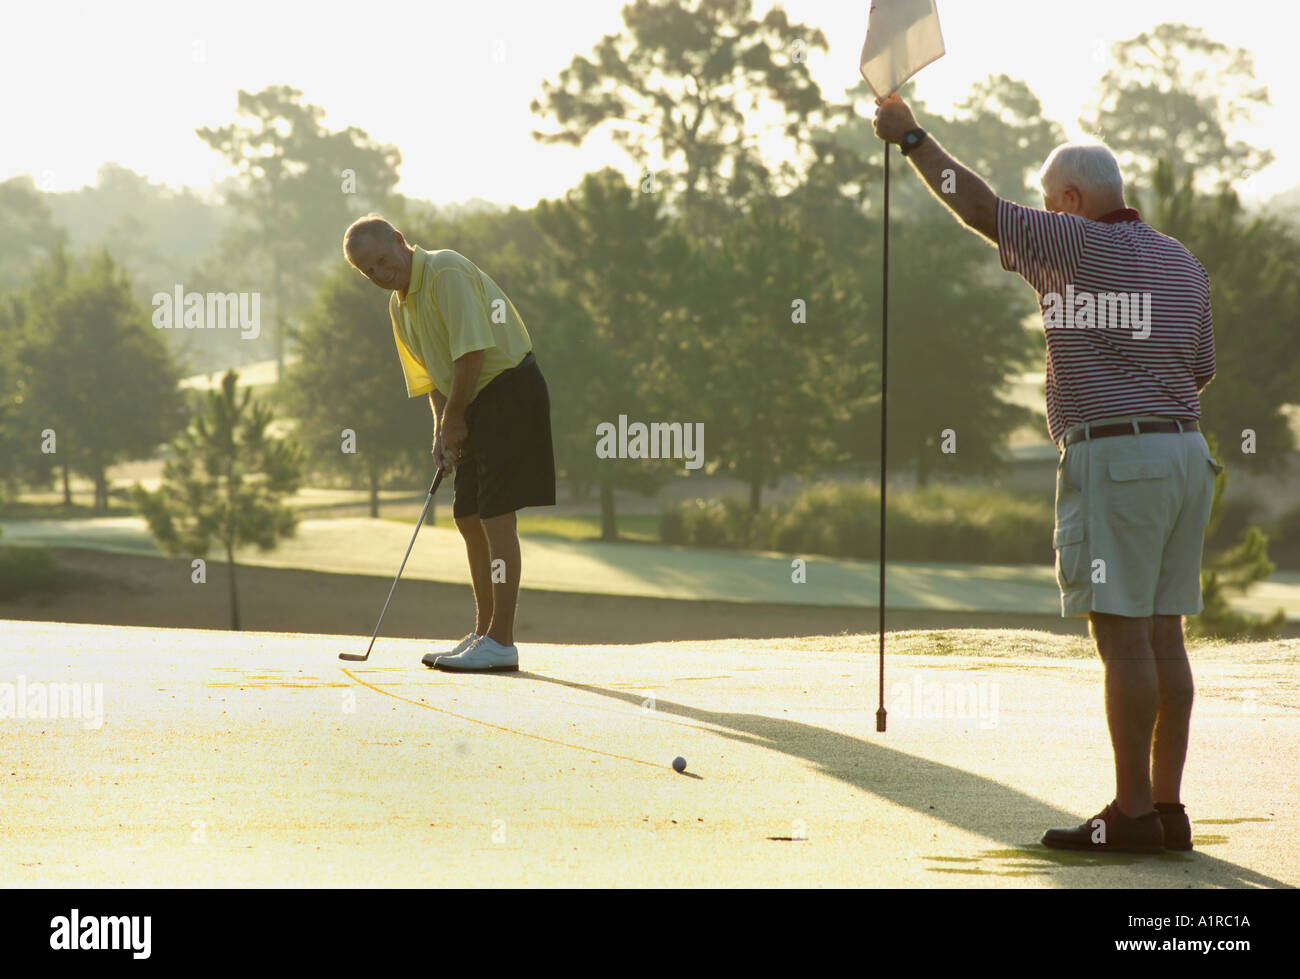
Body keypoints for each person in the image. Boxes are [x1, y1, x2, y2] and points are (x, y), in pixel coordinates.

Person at [873, 94, 1220, 854]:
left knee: (1123, 637)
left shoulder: (1071, 242)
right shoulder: (1183, 261)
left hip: (1117, 456)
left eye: (1047, 202)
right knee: (1166, 633)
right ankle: (1167, 807)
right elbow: (1200, 373)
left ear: (1070, 201)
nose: (1039, 216)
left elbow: (980, 209)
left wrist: (912, 139)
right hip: (1185, 455)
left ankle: (1130, 814)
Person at [343, 215, 556, 672]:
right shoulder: (399, 307)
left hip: (507, 389)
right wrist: (442, 429)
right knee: (468, 517)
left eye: (382, 261)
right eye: (368, 272)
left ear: (400, 242)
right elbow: (430, 376)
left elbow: (472, 352)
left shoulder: (446, 271)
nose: (380, 275)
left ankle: (502, 640)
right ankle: (482, 633)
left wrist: (457, 417)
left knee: (497, 516)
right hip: (471, 398)